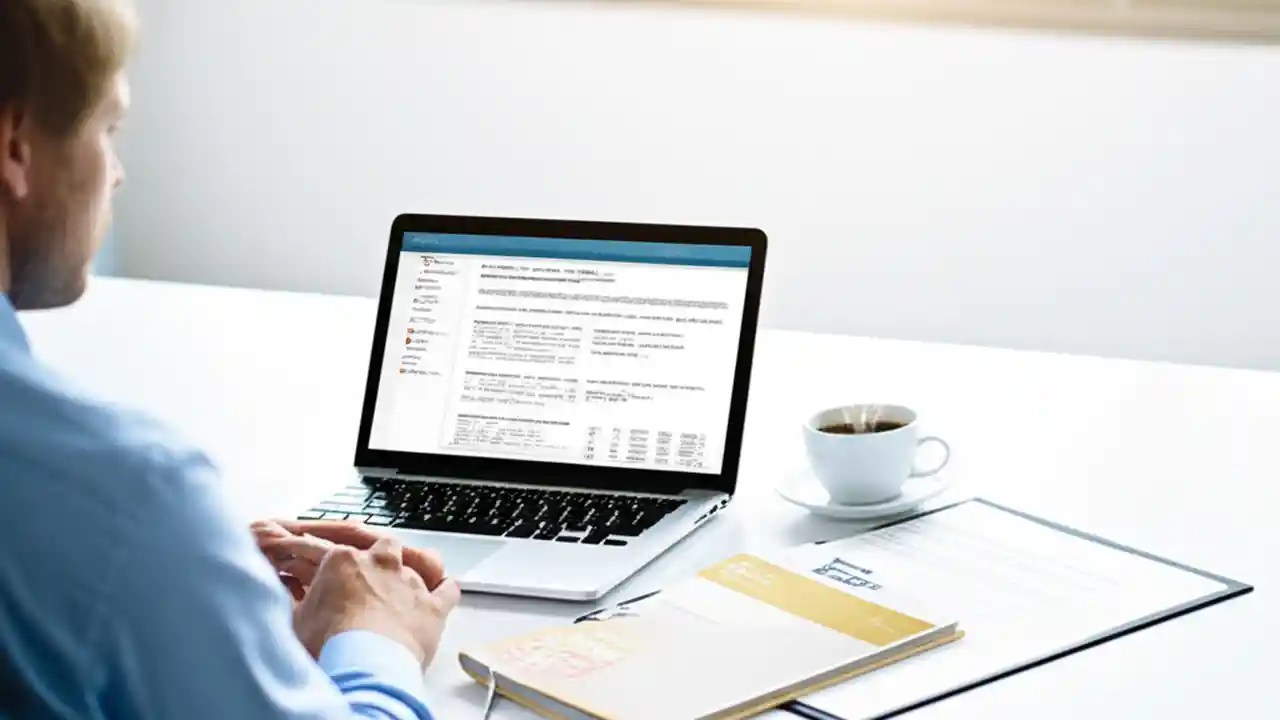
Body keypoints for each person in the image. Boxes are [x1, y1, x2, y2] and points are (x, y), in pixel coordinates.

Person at [0, 1, 460, 718]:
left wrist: (178, 577)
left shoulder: (113, 514)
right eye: (106, 127)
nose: (115, 172)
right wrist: (377, 638)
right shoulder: (127, 491)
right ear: (14, 145)